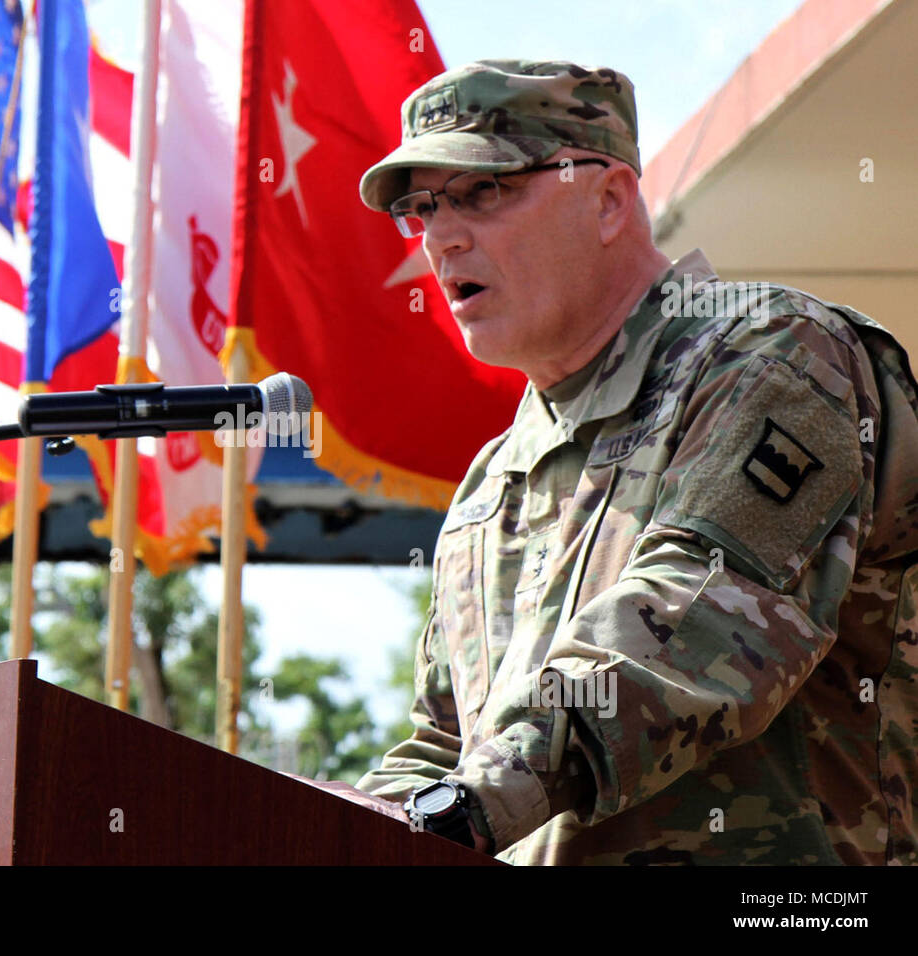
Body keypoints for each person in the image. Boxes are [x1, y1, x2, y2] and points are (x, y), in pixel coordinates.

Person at [315, 59, 918, 865]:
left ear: (607, 201)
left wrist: (459, 810)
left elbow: (697, 621)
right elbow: (446, 747)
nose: (441, 236)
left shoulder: (771, 354)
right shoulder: (492, 486)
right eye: (421, 207)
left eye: (483, 192)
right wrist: (310, 826)